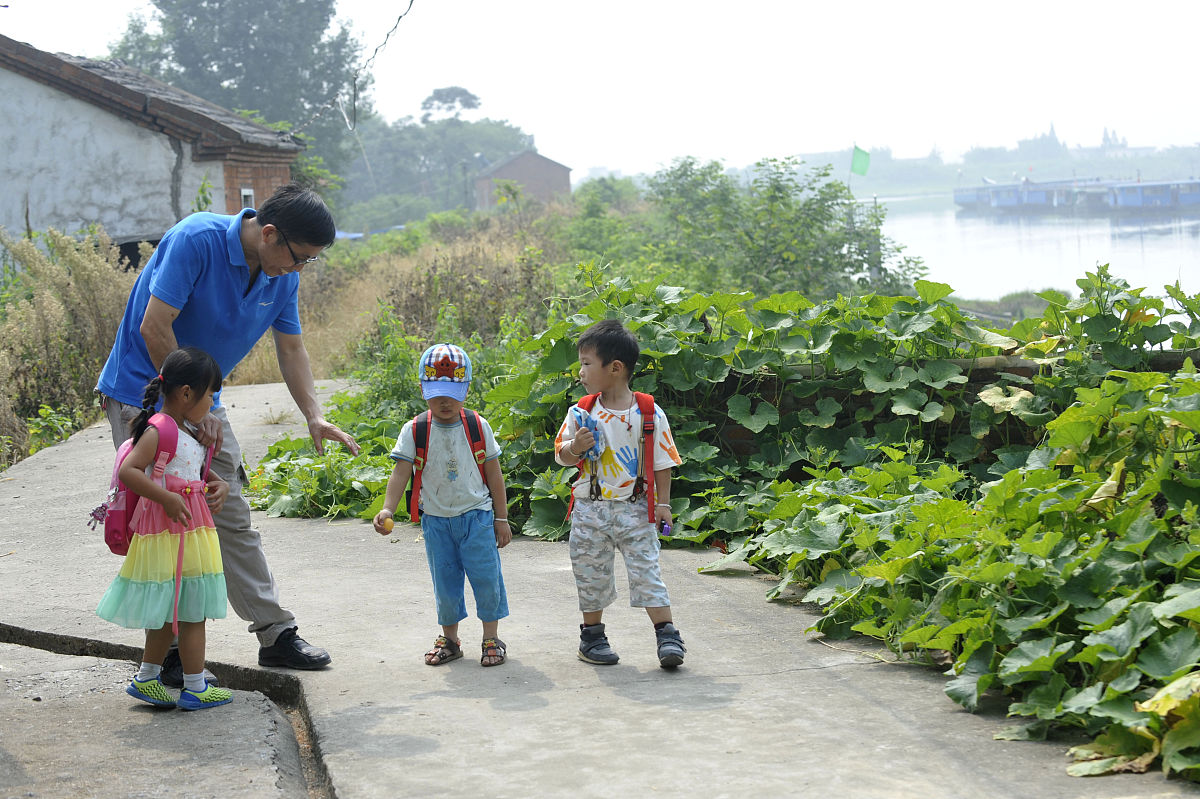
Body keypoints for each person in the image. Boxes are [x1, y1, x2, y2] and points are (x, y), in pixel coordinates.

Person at [96, 182, 359, 684]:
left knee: (230, 513)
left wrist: (313, 414)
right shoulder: (197, 239)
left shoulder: (282, 277)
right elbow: (155, 327)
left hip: (202, 404)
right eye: (298, 256)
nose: (299, 269)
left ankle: (275, 634)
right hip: (144, 392)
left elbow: (292, 349)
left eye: (310, 261)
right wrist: (188, 416)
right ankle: (169, 653)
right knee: (162, 520)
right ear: (269, 232)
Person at [96, 347, 233, 710]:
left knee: (173, 610)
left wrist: (217, 483)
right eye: (210, 395)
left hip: (188, 524)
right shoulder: (161, 429)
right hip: (171, 527)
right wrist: (167, 499)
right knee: (191, 610)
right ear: (187, 393)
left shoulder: (186, 428)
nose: (212, 402)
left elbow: (190, 468)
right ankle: (195, 686)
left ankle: (146, 679)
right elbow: (131, 470)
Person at [553, 320, 687, 668]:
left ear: (615, 368)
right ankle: (592, 638)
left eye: (586, 363)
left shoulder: (648, 412)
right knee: (590, 572)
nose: (580, 371)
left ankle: (667, 635)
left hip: (636, 508)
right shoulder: (581, 411)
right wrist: (575, 447)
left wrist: (664, 504)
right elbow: (561, 455)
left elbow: (662, 462)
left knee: (647, 570)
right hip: (590, 508)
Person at [373, 343, 512, 667]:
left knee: (487, 580)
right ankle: (450, 639)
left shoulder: (478, 426)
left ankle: (491, 638)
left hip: (476, 518)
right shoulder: (415, 430)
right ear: (423, 389)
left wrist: (501, 519)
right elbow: (400, 474)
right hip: (436, 521)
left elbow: (494, 475)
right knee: (445, 584)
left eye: (452, 392)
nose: (444, 401)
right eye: (436, 393)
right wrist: (387, 509)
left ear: (465, 389)